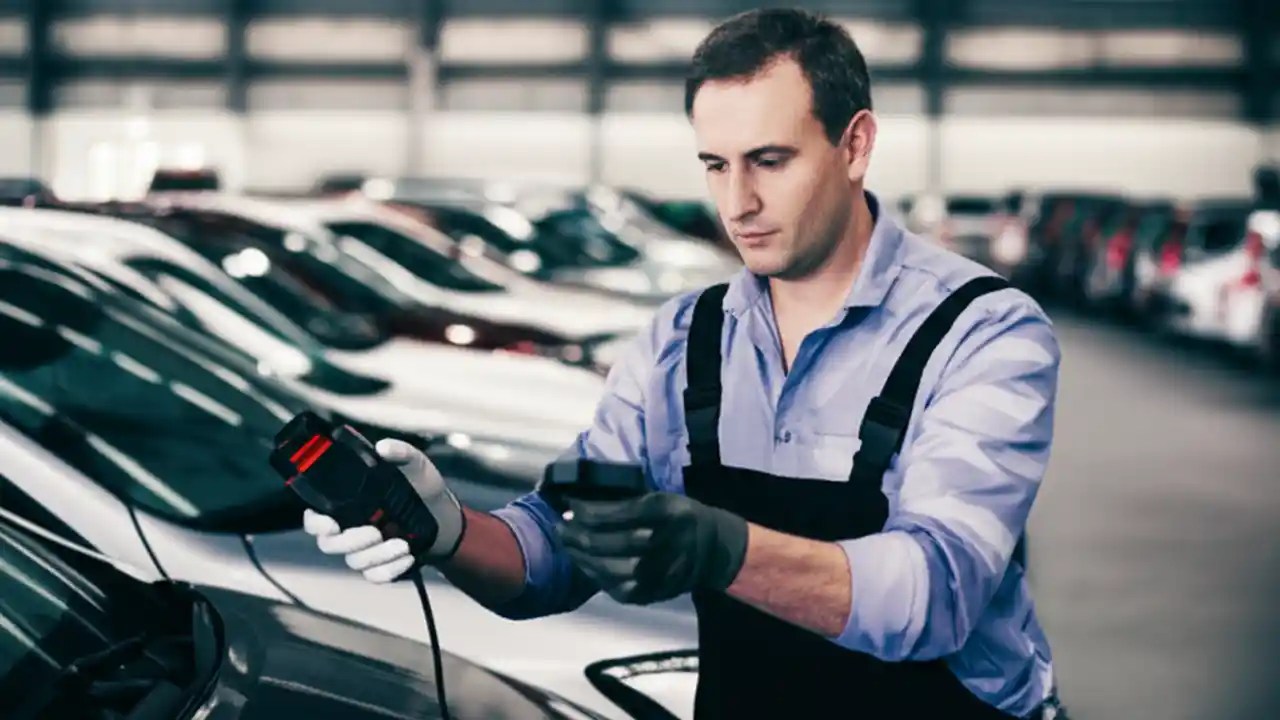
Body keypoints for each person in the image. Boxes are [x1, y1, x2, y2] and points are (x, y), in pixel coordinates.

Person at [304, 8, 1064, 719]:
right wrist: (448, 533)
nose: (738, 203)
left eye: (770, 160)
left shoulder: (983, 331)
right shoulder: (685, 340)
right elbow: (556, 550)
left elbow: (934, 596)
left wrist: (719, 545)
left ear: (855, 144)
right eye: (715, 165)